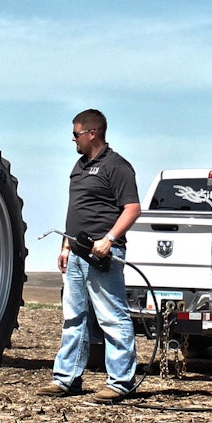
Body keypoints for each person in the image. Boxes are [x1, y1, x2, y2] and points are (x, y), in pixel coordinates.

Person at [38, 109, 142, 402]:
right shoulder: (80, 166)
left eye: (76, 134)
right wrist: (66, 245)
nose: (73, 139)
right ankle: (67, 379)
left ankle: (120, 382)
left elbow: (132, 208)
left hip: (103, 254)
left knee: (112, 317)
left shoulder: (117, 166)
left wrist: (109, 240)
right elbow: (76, 209)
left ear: (92, 133)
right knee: (74, 317)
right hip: (76, 253)